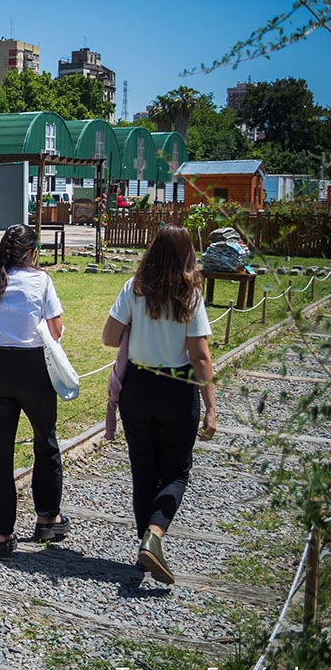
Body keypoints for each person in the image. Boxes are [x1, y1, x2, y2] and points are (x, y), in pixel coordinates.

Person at [102, 223, 217, 585]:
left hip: (137, 386)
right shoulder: (190, 296)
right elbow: (200, 356)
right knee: (177, 471)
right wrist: (211, 405)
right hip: (176, 387)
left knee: (143, 470)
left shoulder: (134, 289)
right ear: (187, 255)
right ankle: (155, 534)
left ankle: (144, 548)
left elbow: (108, 337)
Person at [0, 224, 69, 559]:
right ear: (31, 252)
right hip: (34, 369)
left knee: (0, 452)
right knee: (45, 440)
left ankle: (1, 533)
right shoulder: (41, 281)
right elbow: (55, 331)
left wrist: (0, 357)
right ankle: (47, 516)